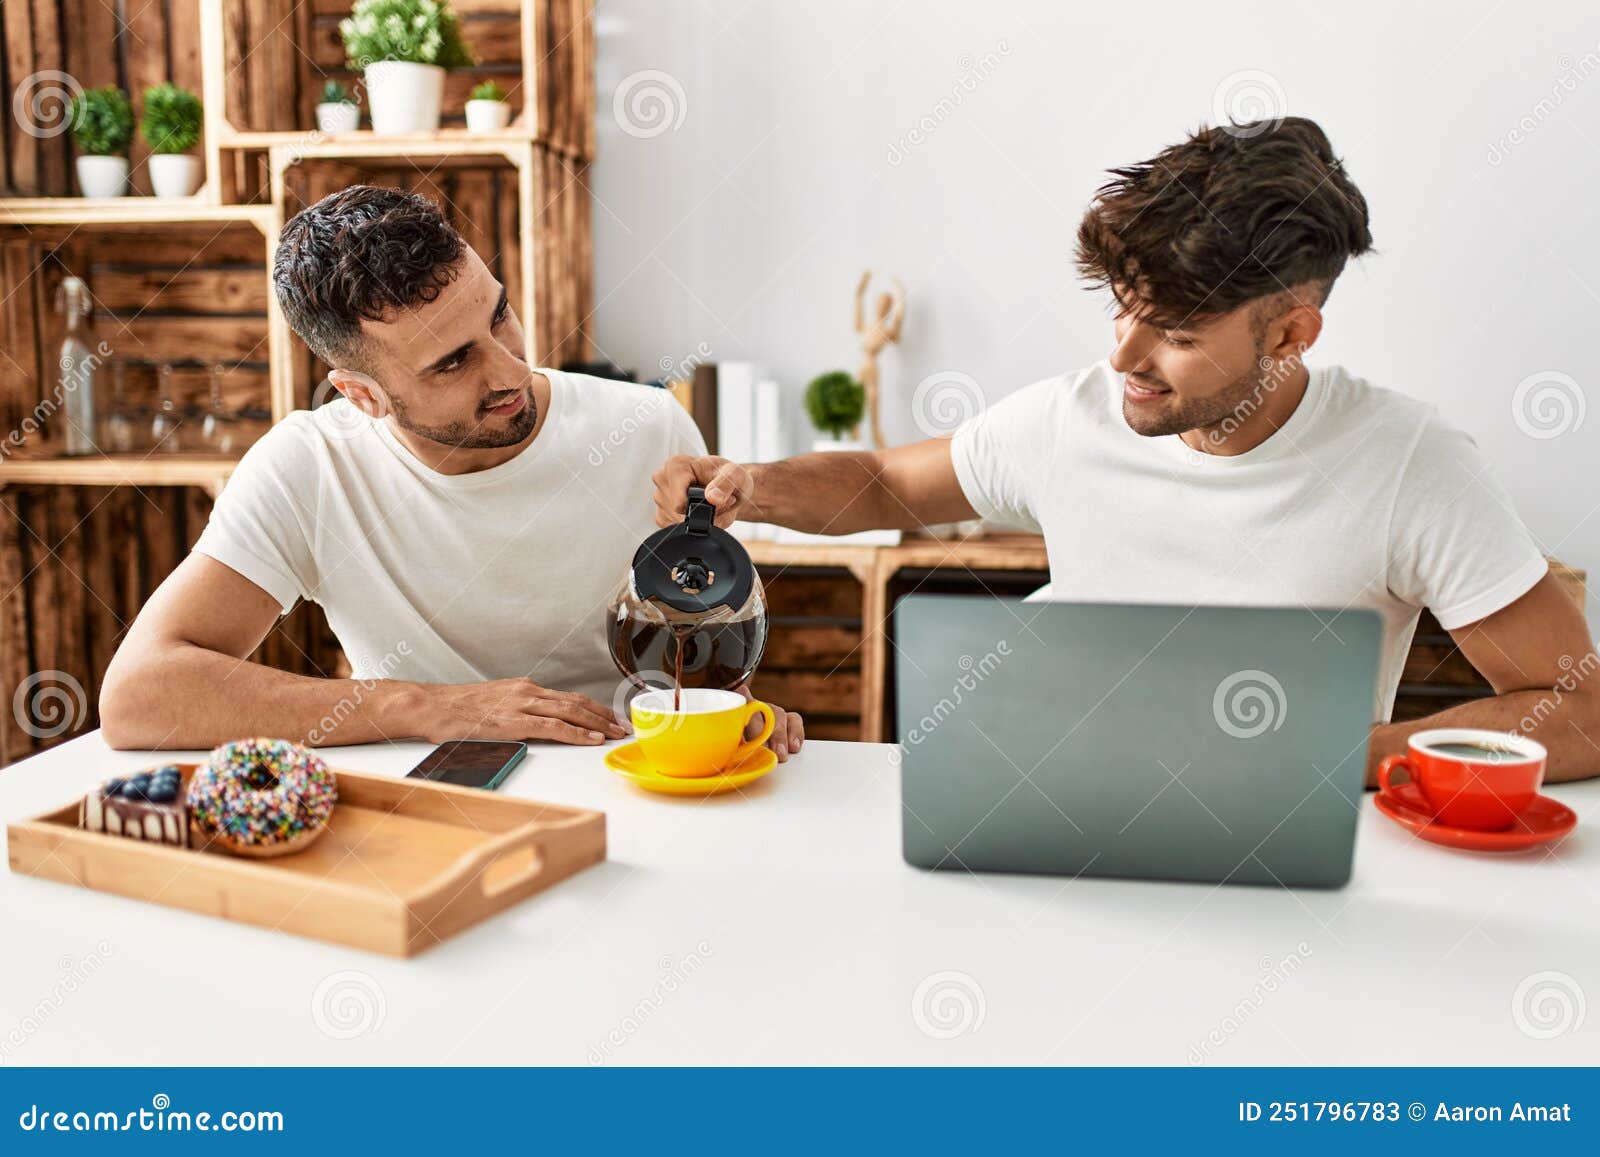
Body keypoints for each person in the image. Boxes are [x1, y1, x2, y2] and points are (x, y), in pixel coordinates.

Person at [652, 118, 1597, 784]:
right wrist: (752, 484)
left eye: (1176, 331)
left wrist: (1348, 757)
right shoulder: (1072, 416)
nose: (1123, 357)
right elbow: (886, 481)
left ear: (1289, 336)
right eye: (1121, 308)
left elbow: (1579, 710)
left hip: (1278, 863)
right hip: (1052, 811)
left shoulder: (1409, 462)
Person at [100, 185, 804, 759]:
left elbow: (705, 656)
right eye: (453, 361)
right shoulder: (309, 470)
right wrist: (428, 705)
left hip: (630, 781)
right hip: (430, 804)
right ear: (364, 394)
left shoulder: (647, 429)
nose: (509, 371)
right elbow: (138, 693)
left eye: (500, 317)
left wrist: (729, 719)